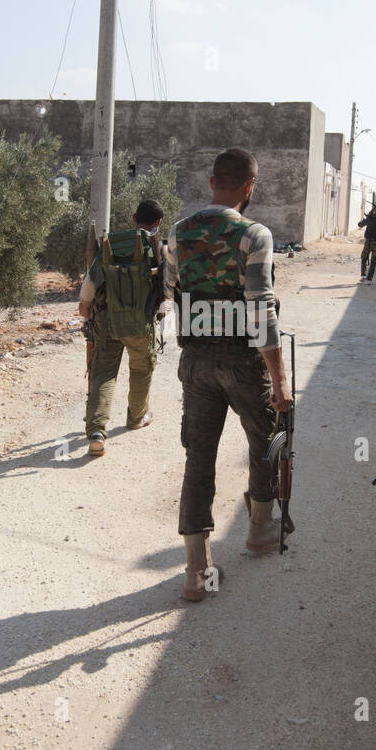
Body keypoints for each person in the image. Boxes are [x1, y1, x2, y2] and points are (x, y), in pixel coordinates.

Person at [167, 148, 293, 602]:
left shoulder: (179, 232)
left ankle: (195, 571)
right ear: (249, 186)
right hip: (243, 361)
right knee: (266, 444)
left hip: (196, 361)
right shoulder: (253, 234)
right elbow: (261, 309)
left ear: (211, 180)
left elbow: (173, 290)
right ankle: (259, 530)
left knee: (198, 458)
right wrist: (279, 381)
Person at [79, 199, 167, 456]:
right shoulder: (156, 248)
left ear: (133, 217)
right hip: (141, 325)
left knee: (103, 374)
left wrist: (85, 308)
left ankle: (96, 431)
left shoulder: (111, 244)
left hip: (108, 325)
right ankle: (137, 417)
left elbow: (90, 284)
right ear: (158, 223)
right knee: (141, 369)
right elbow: (167, 289)